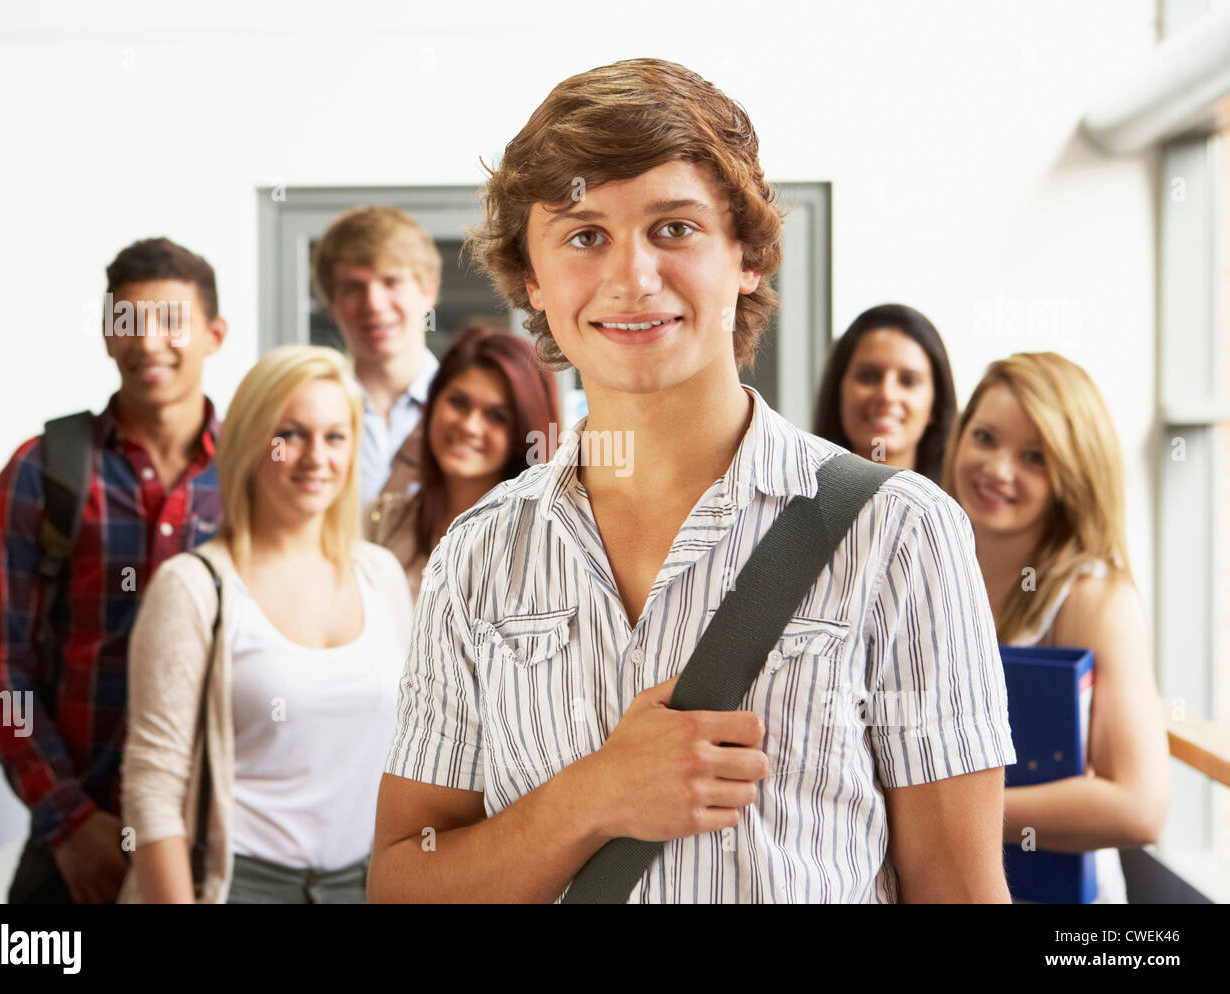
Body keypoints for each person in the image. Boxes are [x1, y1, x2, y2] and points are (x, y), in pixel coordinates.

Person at [368, 58, 1016, 904]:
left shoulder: (899, 533)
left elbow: (960, 892)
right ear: (532, 275)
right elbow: (402, 879)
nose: (633, 277)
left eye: (674, 228)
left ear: (746, 255)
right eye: (583, 233)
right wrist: (592, 797)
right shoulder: (478, 556)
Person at [0, 237, 227, 904]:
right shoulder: (43, 469)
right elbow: (4, 667)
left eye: (171, 320)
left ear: (214, 335)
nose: (148, 342)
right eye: (127, 321)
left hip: (219, 834)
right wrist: (69, 825)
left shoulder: (256, 474)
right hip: (77, 834)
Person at [119, 345, 412, 903]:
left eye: (335, 436)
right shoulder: (194, 587)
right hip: (236, 887)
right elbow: (153, 788)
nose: (315, 457)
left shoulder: (381, 575)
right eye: (291, 434)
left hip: (366, 885)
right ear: (252, 442)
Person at [943, 352, 1169, 904]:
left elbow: (1141, 808)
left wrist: (945, 812)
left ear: (1073, 474)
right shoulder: (924, 566)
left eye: (1034, 457)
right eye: (986, 437)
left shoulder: (1093, 596)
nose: (998, 469)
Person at [363, 326, 560, 602]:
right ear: (433, 404)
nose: (469, 426)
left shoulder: (549, 548)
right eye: (458, 402)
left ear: (523, 435)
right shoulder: (379, 522)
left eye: (496, 417)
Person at [312, 206, 443, 501]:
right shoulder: (308, 412)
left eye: (391, 282)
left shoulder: (466, 410)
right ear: (332, 304)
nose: (373, 304)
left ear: (428, 290)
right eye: (353, 288)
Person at [812, 303, 956, 482]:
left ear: (935, 405)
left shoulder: (956, 507)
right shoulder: (792, 500)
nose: (886, 395)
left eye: (908, 381)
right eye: (867, 377)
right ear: (839, 389)